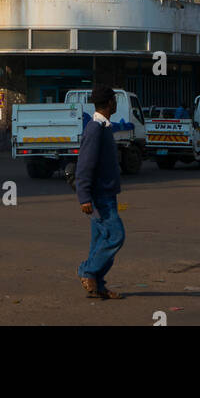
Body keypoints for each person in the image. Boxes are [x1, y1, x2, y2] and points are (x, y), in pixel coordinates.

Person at [74, 86, 126, 301]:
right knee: (116, 236)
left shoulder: (104, 126)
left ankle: (98, 285)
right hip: (99, 197)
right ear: (110, 103)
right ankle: (87, 271)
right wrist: (84, 197)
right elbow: (85, 165)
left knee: (99, 241)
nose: (116, 104)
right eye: (114, 100)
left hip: (107, 194)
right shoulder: (95, 128)